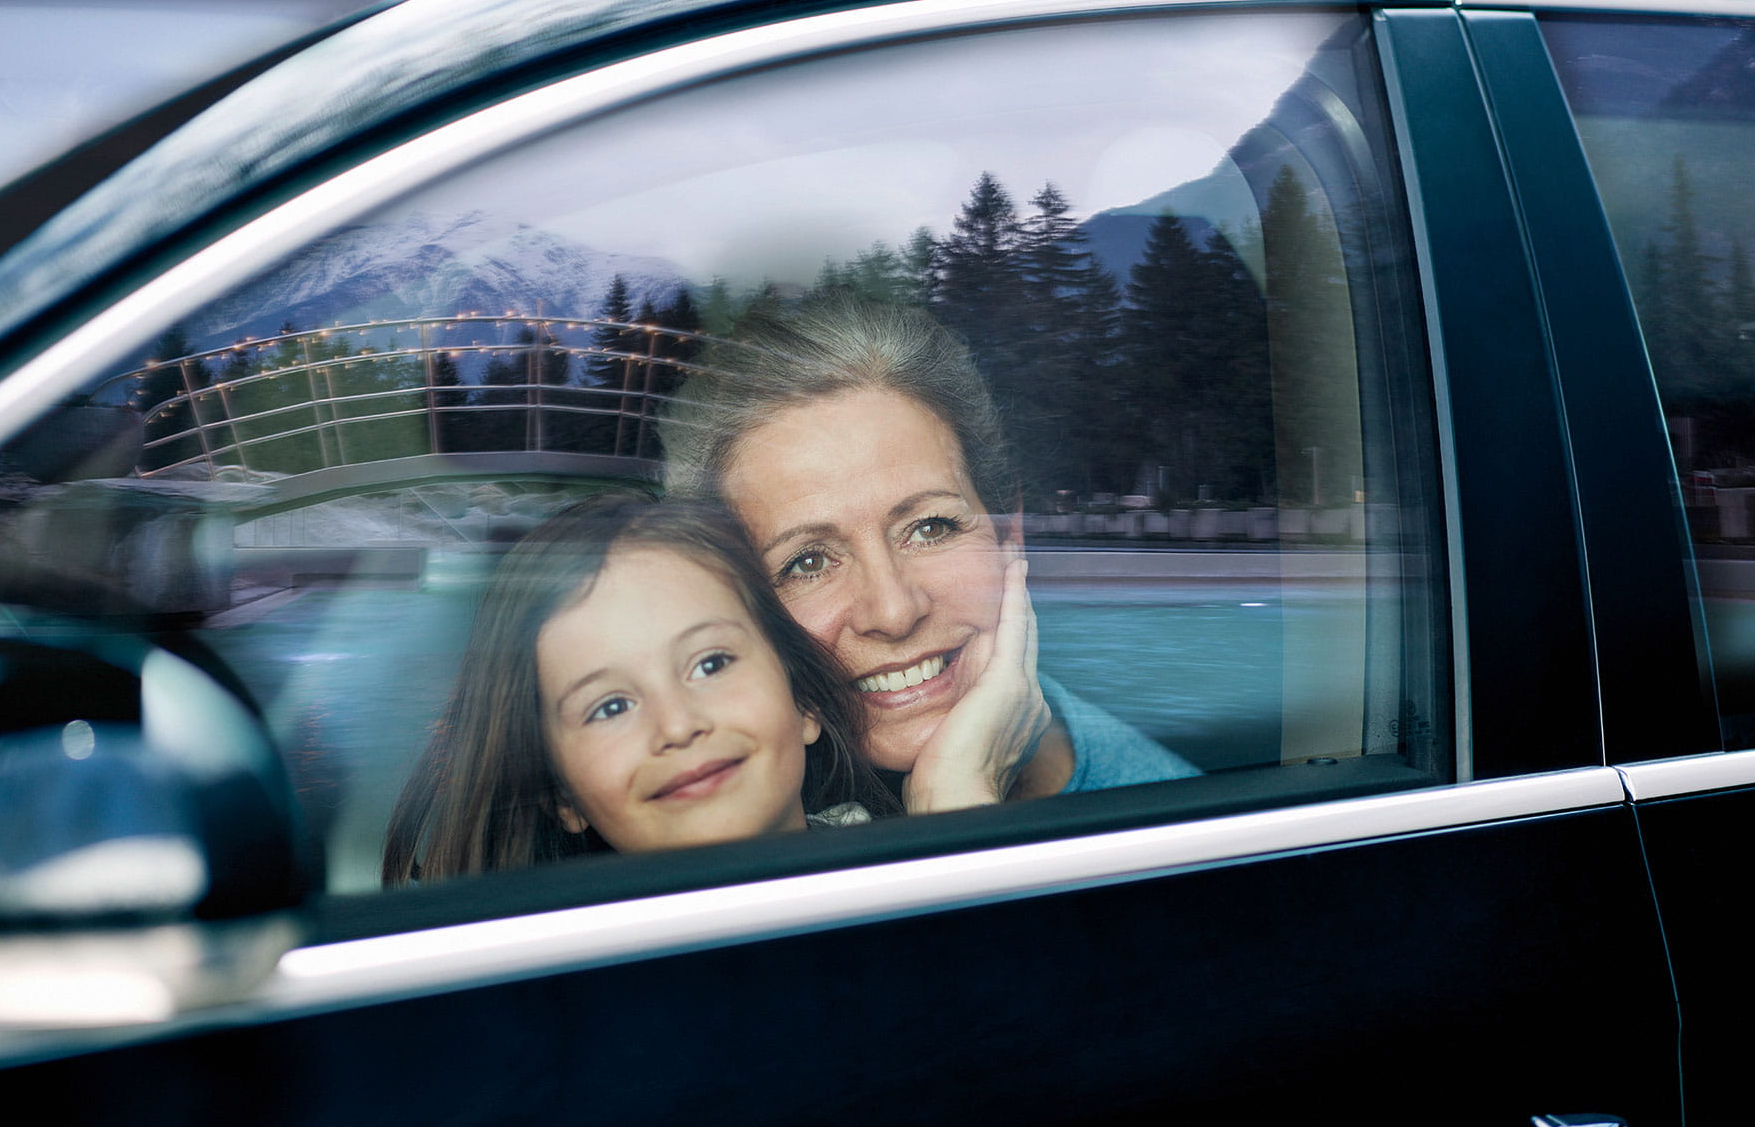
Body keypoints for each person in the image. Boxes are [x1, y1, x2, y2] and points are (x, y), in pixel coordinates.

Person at [661, 295, 1196, 813]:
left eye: (930, 528)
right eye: (809, 562)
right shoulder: (712, 825)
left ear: (1010, 534)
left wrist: (958, 800)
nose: (893, 612)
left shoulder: (1179, 831)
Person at [382, 492, 888, 885]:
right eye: (611, 707)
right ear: (561, 794)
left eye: (711, 664)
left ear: (802, 700)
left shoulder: (917, 874)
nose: (678, 725)